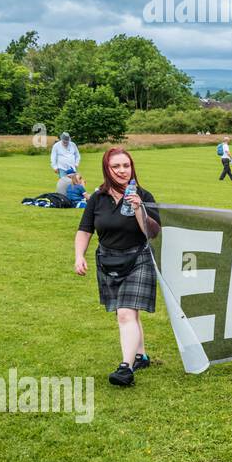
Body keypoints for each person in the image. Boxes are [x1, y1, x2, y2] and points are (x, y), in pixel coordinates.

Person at [73, 147, 161, 387]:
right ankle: (141, 356)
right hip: (108, 260)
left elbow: (153, 233)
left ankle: (126, 368)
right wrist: (79, 256)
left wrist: (138, 209)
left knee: (125, 313)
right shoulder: (97, 199)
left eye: (126, 165)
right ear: (107, 169)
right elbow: (85, 230)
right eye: (116, 166)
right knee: (128, 313)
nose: (122, 171)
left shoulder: (143, 196)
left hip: (138, 258)